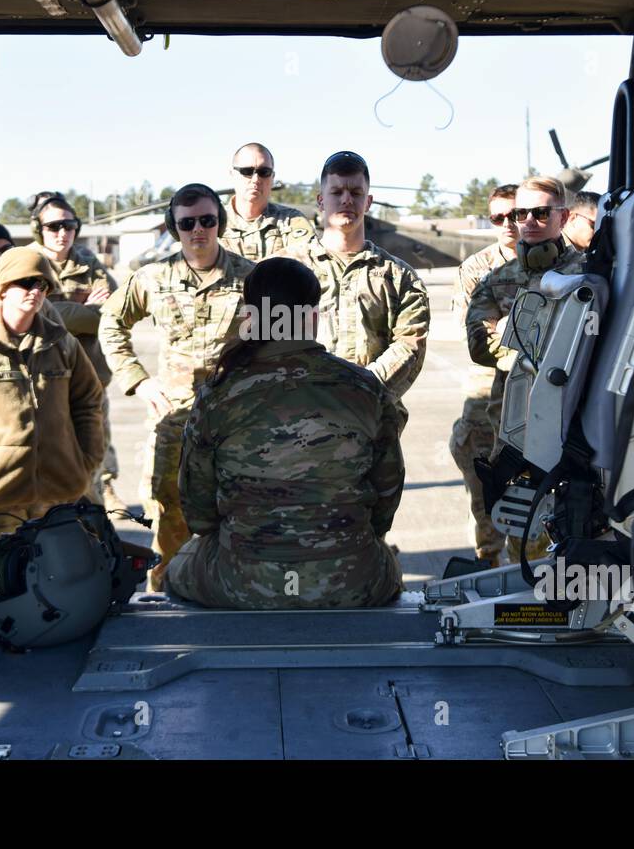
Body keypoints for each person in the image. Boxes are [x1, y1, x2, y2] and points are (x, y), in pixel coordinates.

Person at [169, 257, 404, 608]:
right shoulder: (365, 387)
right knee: (384, 554)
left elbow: (199, 514)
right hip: (351, 581)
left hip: (244, 583)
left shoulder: (218, 394)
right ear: (313, 316)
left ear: (250, 317)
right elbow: (387, 493)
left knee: (177, 567)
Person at [98, 183, 254, 590]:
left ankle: (231, 599)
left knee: (238, 515)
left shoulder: (251, 278)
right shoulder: (152, 278)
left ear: (220, 223)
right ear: (173, 227)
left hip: (235, 424)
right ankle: (166, 598)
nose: (198, 230)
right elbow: (111, 324)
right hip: (174, 422)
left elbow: (280, 340)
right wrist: (140, 381)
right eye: (187, 223)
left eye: (207, 220)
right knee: (169, 517)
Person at [0, 247, 105, 550]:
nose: (35, 291)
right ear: (3, 288)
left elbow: (88, 403)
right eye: (26, 282)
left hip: (58, 495)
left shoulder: (63, 344)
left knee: (58, 586)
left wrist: (86, 462)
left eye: (42, 284)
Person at [464, 175, 586, 566]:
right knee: (522, 537)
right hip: (513, 432)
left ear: (563, 217)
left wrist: (510, 330)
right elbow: (480, 346)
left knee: (575, 529)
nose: (529, 221)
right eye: (521, 213)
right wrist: (542, 345)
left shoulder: (588, 275)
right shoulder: (495, 280)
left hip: (574, 429)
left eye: (540, 212)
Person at [281, 150, 429, 421]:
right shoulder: (285, 271)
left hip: (373, 425)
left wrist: (360, 391)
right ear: (320, 201)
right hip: (300, 427)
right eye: (336, 192)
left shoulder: (399, 277)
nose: (347, 199)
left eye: (356, 193)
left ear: (368, 201)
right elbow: (270, 344)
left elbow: (410, 345)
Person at [29, 191, 122, 507]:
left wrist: (56, 307)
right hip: (43, 383)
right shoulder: (29, 264)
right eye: (53, 226)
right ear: (38, 230)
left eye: (69, 226)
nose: (62, 233)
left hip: (89, 378)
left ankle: (101, 499)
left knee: (94, 452)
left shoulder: (87, 262)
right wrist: (79, 308)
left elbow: (114, 314)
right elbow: (32, 318)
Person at [449, 184, 520, 568]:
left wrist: (503, 325)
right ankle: (488, 566)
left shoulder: (556, 264)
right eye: (498, 217)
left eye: (515, 214)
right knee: (484, 496)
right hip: (485, 395)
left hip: (535, 396)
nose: (508, 224)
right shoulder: (477, 268)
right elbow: (474, 335)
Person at [218, 142, 316, 260]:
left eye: (264, 172)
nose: (256, 179)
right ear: (232, 174)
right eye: (247, 172)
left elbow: (306, 259)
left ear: (272, 177)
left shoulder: (291, 220)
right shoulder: (212, 221)